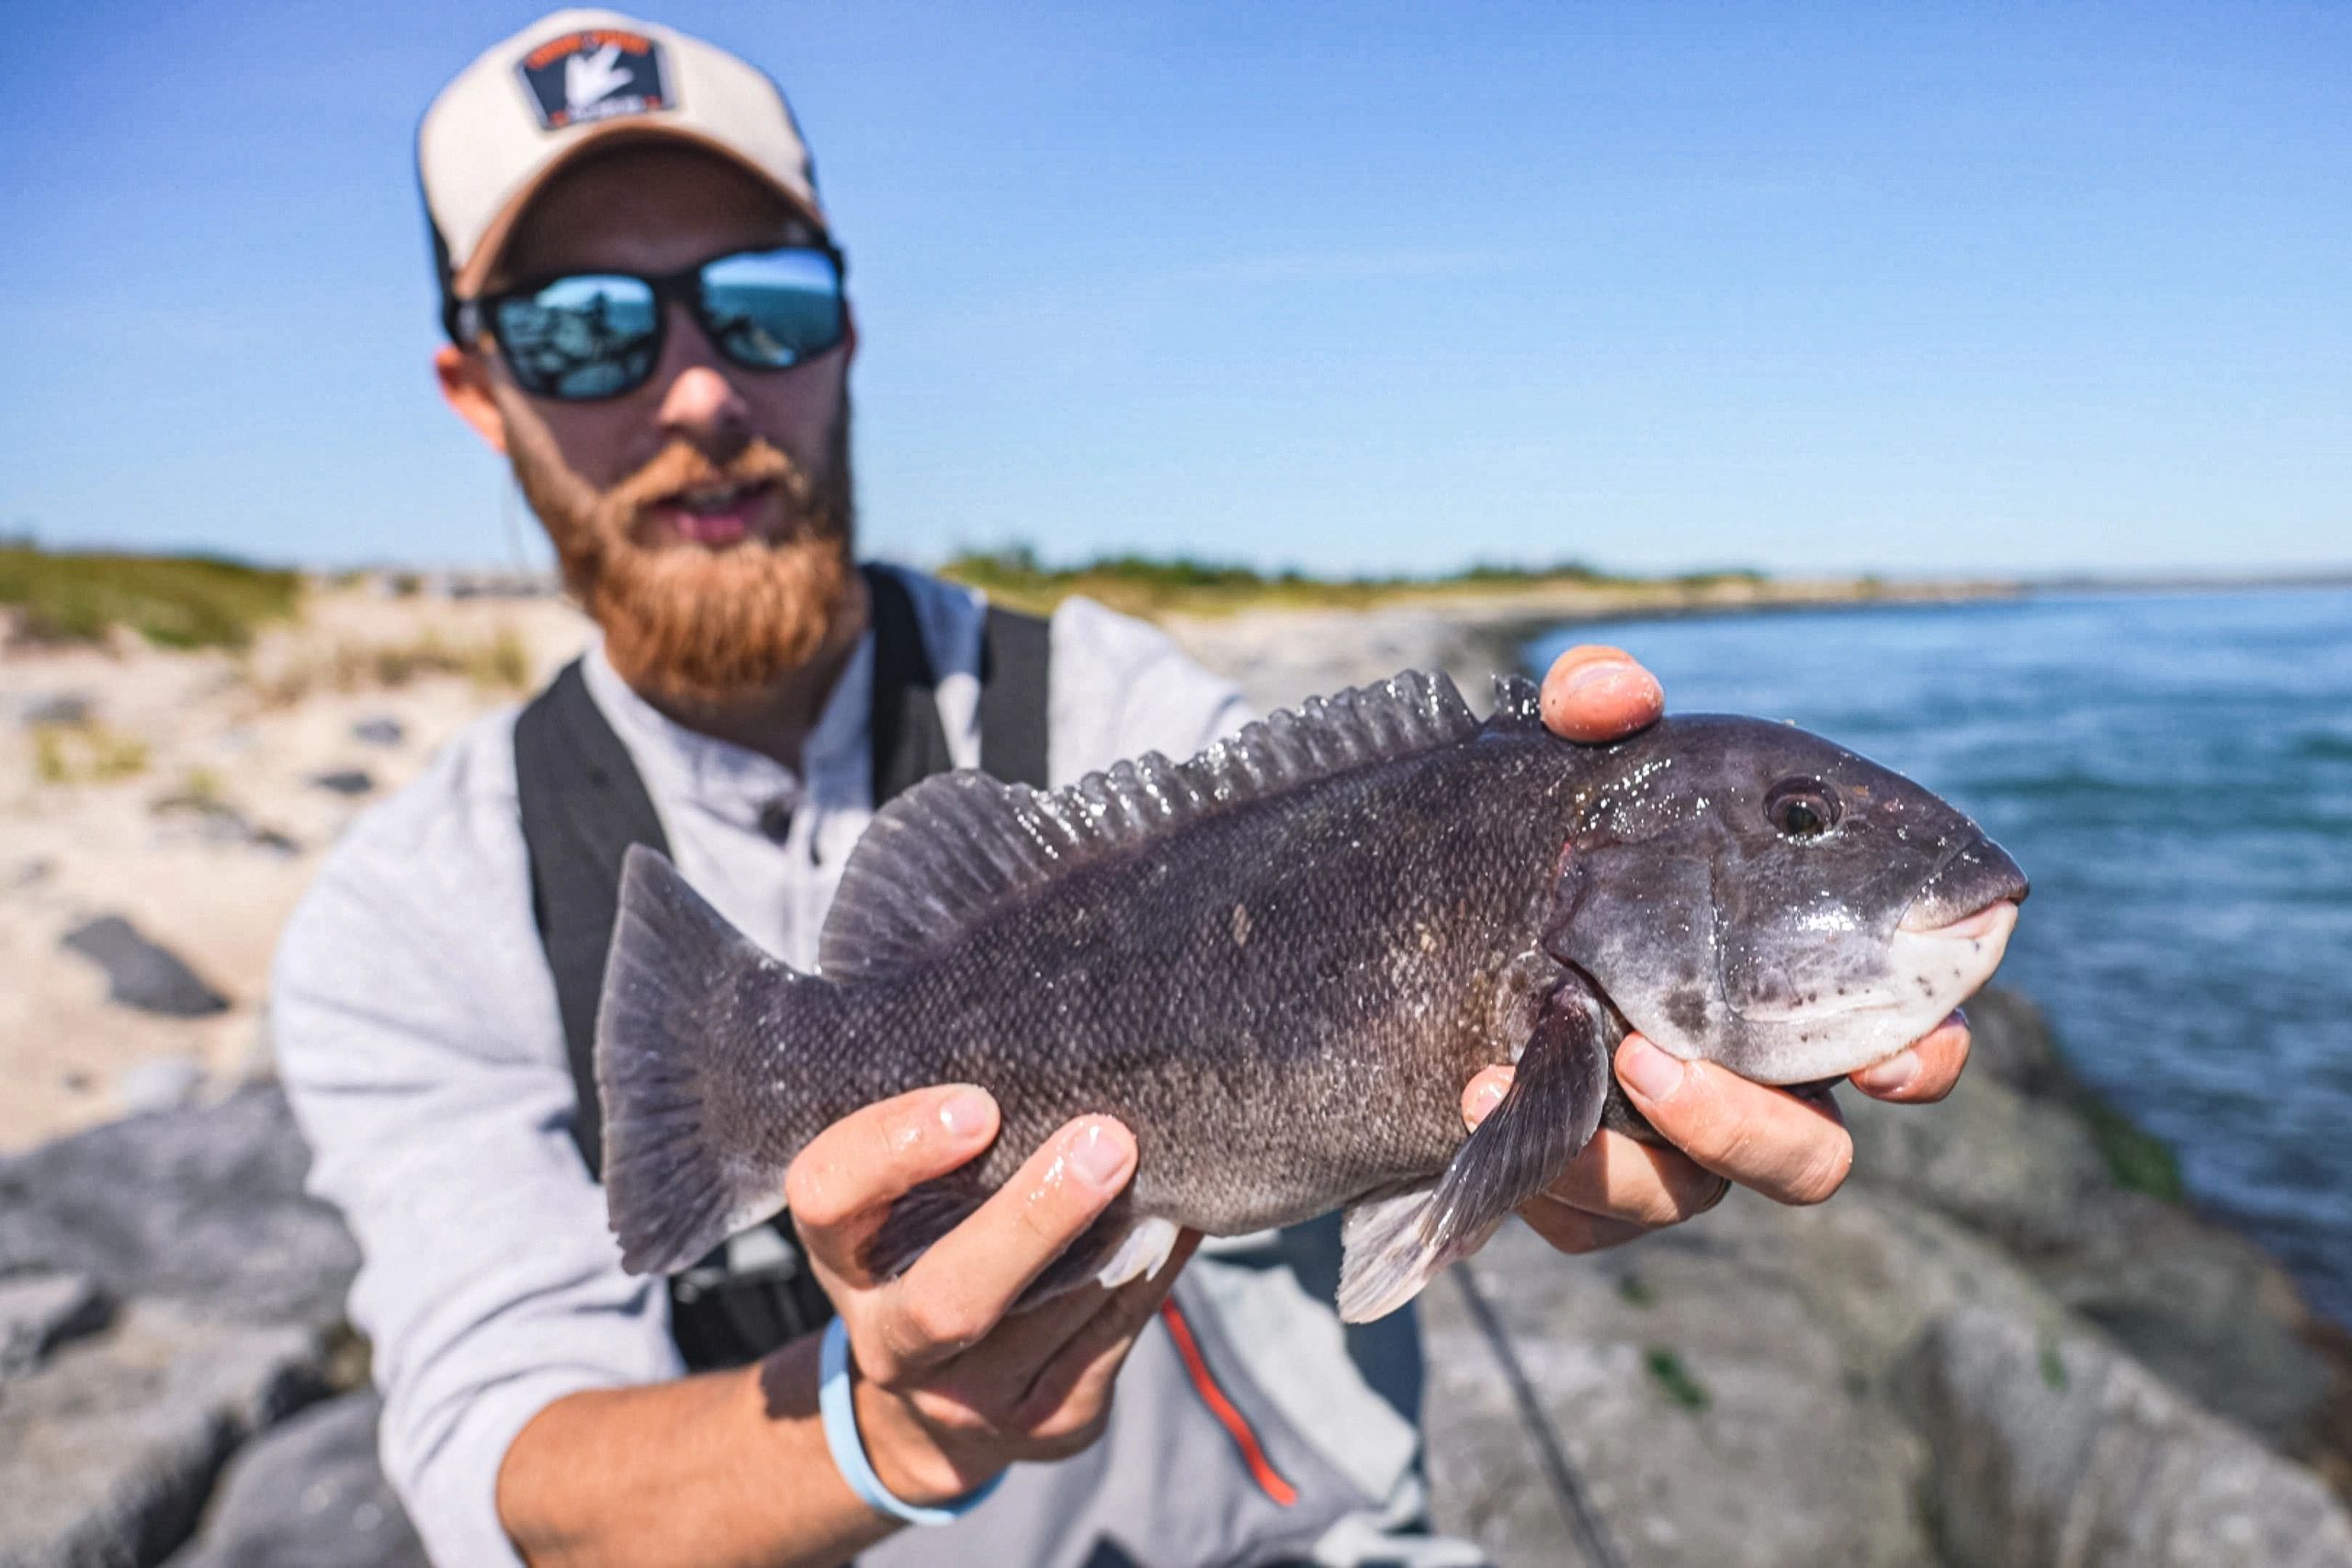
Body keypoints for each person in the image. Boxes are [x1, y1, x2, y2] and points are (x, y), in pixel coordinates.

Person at [271, 12, 1975, 1566]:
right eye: (581, 334)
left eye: (761, 304)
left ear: (846, 330)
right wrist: (887, 1433)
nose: (700, 389)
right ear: (474, 392)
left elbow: (1362, 884)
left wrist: (1559, 1132)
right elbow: (515, 1471)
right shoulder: (408, 923)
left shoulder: (1100, 701)